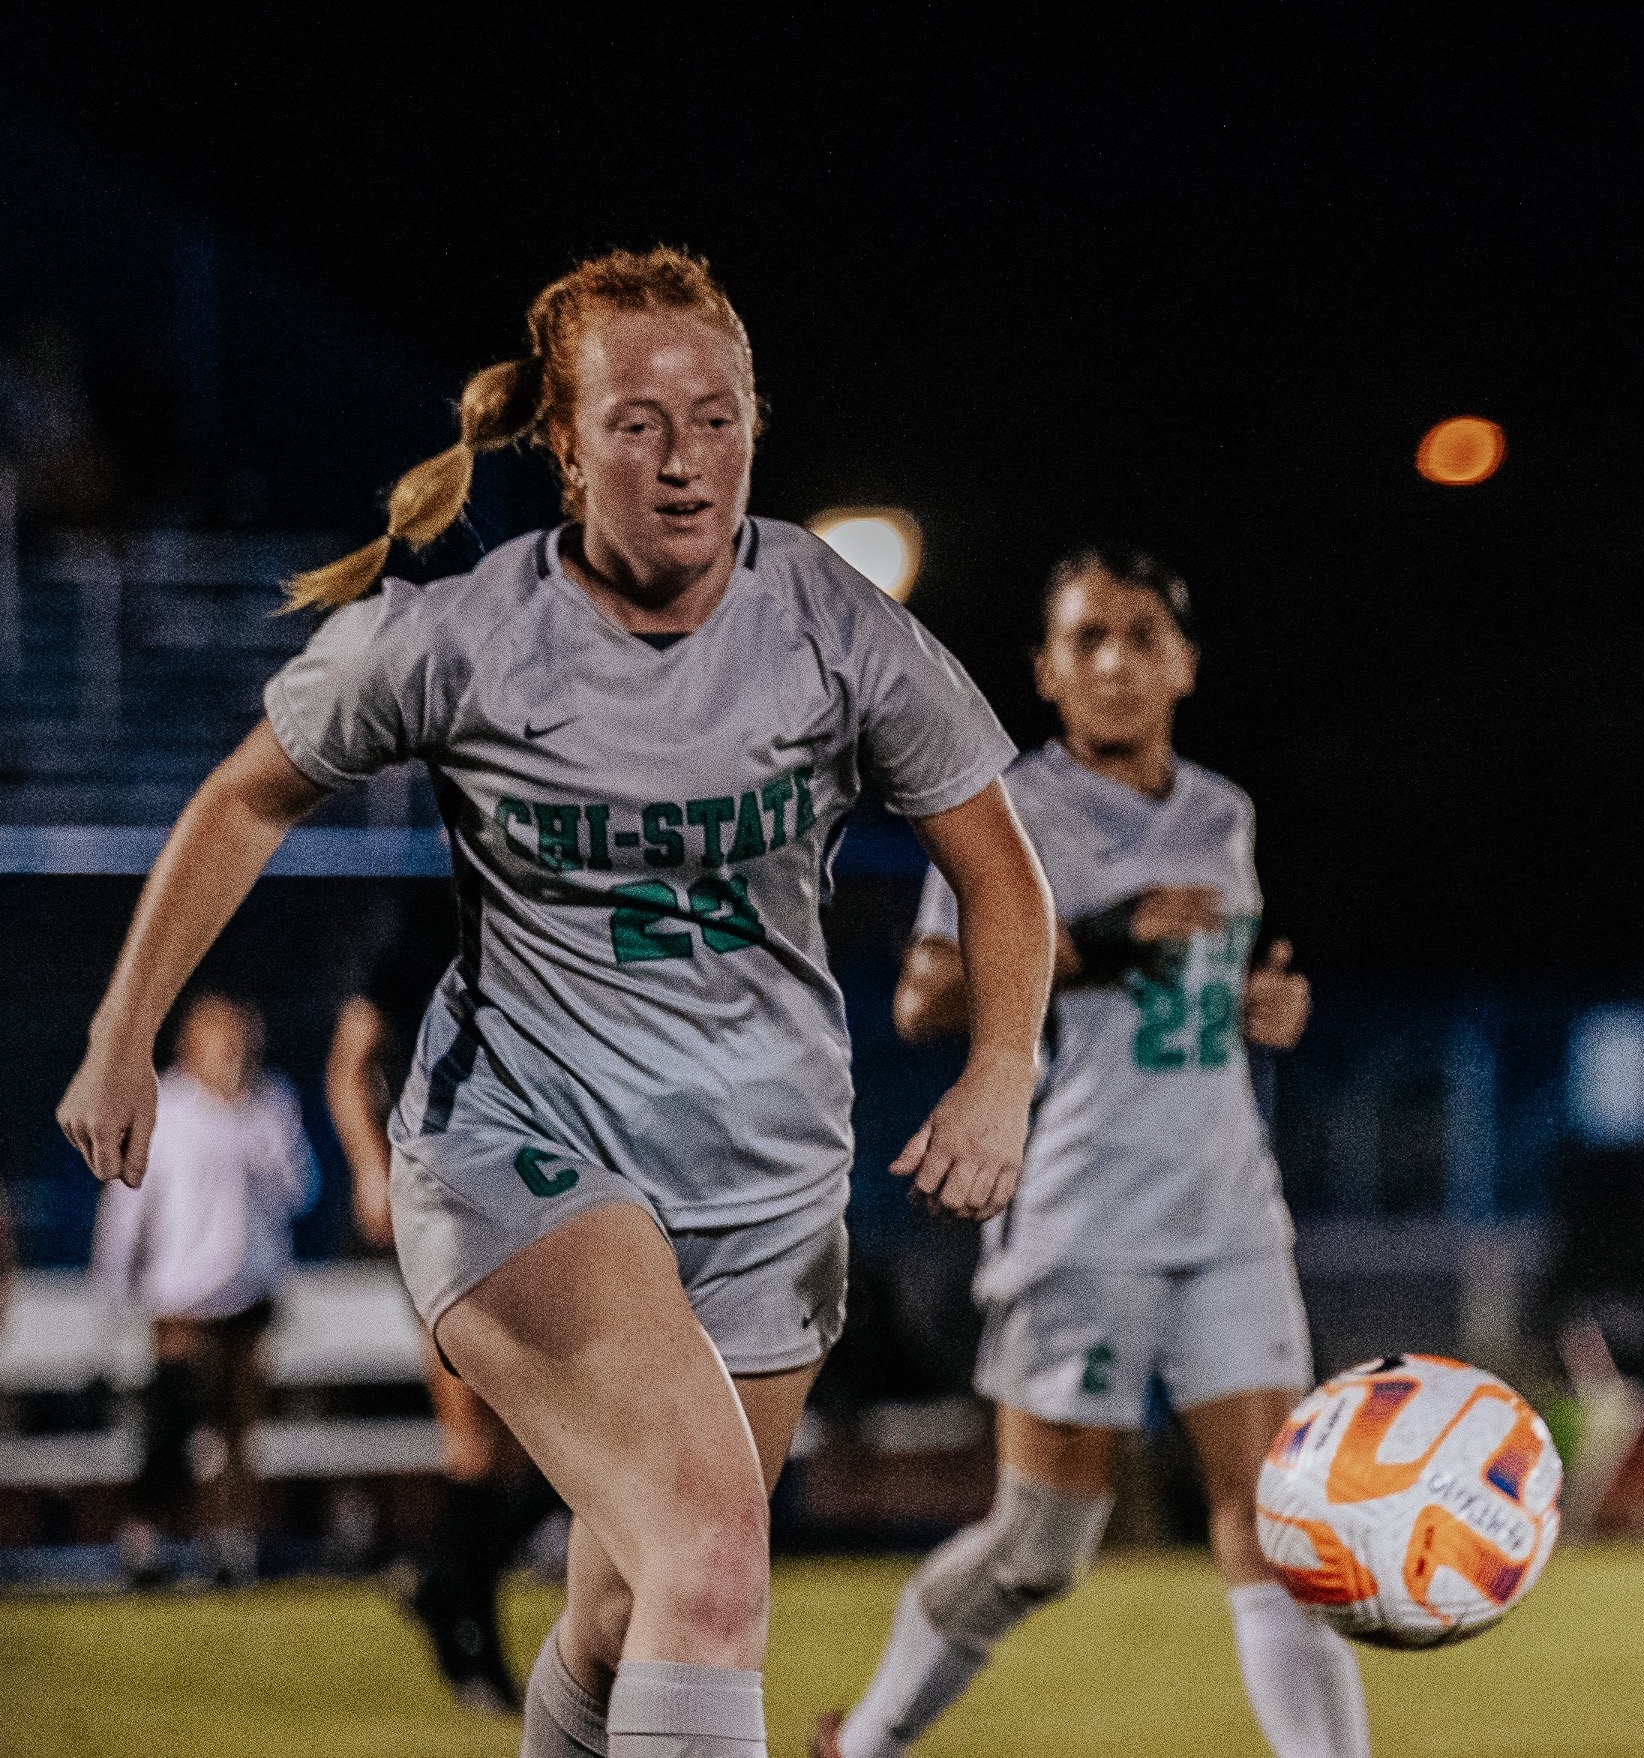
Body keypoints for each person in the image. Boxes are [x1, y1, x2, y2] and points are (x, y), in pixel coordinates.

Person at [57, 246, 1056, 1758]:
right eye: (638, 422)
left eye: (715, 418)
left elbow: (1002, 869)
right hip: (521, 1150)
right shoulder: (461, 635)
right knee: (715, 1549)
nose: (683, 459)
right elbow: (244, 800)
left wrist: (1002, 1071)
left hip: (771, 1181)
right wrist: (123, 1031)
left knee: (623, 1608)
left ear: (757, 427)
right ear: (564, 444)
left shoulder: (834, 623)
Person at [817, 546, 1355, 1758]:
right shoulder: (1010, 809)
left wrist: (1263, 1011)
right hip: (1081, 1216)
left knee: (1276, 1521)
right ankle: (862, 1744)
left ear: (1186, 666)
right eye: (1087, 639)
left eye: (1139, 637)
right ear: (1046, 673)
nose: (1115, 662)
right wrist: (1106, 938)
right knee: (1040, 1549)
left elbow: (1200, 1002)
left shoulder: (1224, 813)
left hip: (1226, 1210)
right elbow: (924, 997)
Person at [330, 884, 558, 1713]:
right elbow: (351, 1058)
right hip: (440, 1194)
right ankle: (479, 1649)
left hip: (534, 1197)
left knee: (537, 1447)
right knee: (476, 1434)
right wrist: (366, 1167)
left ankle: (444, 1585)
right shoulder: (420, 920)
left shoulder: (551, 909)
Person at [88, 990, 318, 1589]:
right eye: (225, 1044)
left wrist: (267, 1140)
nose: (238, 1057)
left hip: (251, 1294)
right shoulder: (164, 1106)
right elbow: (127, 1206)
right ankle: (147, 1541)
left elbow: (303, 1190)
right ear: (193, 1047)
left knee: (239, 1432)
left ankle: (230, 1545)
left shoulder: (272, 1104)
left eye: (244, 1044)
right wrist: (112, 1289)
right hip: (183, 1300)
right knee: (172, 1425)